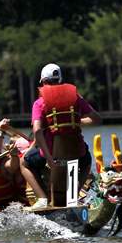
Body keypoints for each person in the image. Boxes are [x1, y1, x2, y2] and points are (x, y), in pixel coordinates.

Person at [23, 63, 102, 200]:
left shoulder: (39, 102)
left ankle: (42, 199)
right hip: (76, 151)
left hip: (52, 153)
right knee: (87, 160)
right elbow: (96, 119)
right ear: (60, 80)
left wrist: (48, 158)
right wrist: (75, 121)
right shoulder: (76, 97)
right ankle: (73, 196)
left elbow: (37, 131)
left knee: (24, 163)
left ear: (43, 82)